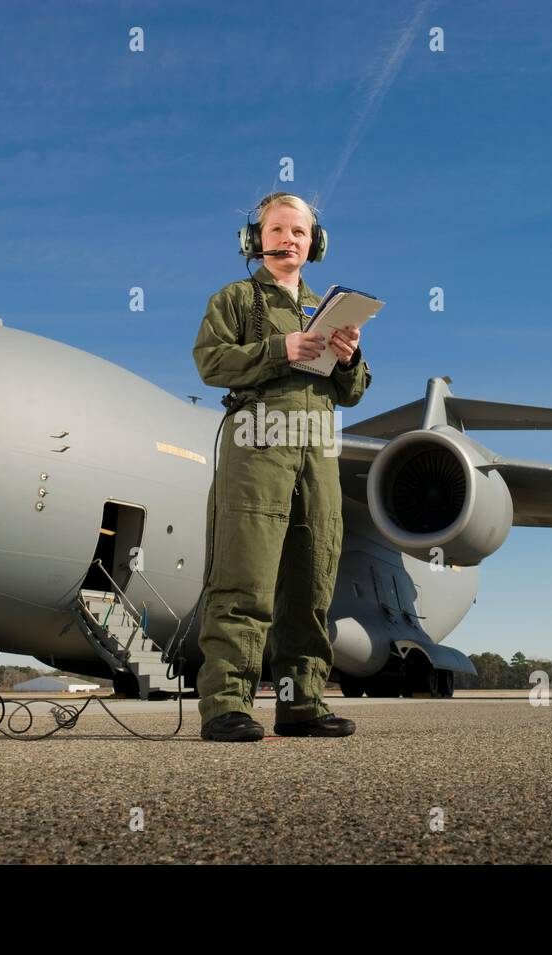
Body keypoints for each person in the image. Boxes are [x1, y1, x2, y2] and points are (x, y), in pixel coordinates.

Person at [192, 192, 372, 742]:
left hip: (318, 449)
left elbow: (353, 393)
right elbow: (210, 361)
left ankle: (301, 704)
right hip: (258, 444)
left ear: (315, 242)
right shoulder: (237, 299)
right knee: (245, 575)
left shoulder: (328, 307)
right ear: (256, 239)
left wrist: (350, 357)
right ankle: (226, 705)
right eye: (277, 230)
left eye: (299, 231)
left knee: (310, 577)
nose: (288, 239)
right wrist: (280, 348)